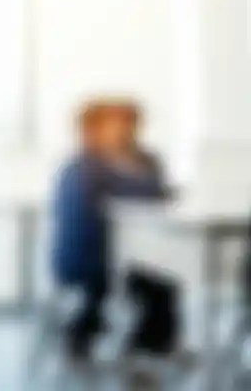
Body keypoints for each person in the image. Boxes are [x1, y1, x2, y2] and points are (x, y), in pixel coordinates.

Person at [52, 98, 180, 361]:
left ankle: (150, 346)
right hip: (91, 255)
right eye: (115, 124)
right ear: (92, 129)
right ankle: (120, 343)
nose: (125, 130)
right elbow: (139, 197)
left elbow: (159, 197)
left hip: (139, 252)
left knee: (166, 280)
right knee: (153, 284)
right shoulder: (82, 167)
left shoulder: (147, 160)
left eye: (131, 123)